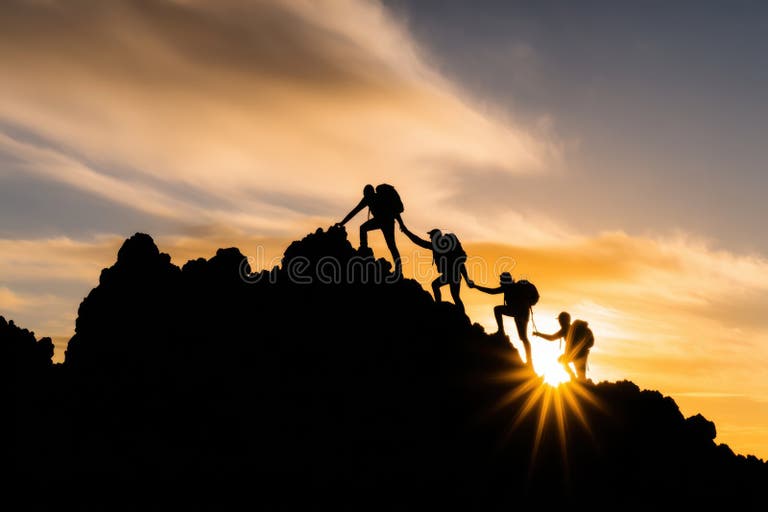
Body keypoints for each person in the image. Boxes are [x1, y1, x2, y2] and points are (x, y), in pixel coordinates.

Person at [399, 223, 471, 314]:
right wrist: (467, 279)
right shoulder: (439, 246)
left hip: (452, 275)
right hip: (455, 275)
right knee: (455, 296)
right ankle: (459, 314)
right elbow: (419, 241)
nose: (430, 238)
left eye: (431, 236)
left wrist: (406, 231)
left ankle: (439, 306)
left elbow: (419, 241)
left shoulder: (440, 247)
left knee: (436, 286)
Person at [335, 184, 403, 277]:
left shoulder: (377, 197)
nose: (367, 196)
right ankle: (364, 249)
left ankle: (398, 271)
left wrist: (401, 224)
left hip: (387, 222)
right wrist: (342, 223)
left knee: (391, 245)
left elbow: (393, 211)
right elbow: (354, 211)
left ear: (370, 192)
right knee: (390, 244)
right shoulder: (368, 198)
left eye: (367, 194)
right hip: (384, 221)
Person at [469, 272, 534, 367]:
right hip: (522, 312)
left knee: (497, 310)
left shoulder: (508, 287)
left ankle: (501, 331)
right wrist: (475, 286)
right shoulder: (512, 287)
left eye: (502, 280)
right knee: (523, 337)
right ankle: (529, 361)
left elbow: (491, 291)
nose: (500, 282)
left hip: (519, 312)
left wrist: (475, 286)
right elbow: (492, 291)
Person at [533, 311, 594, 382]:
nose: (559, 322)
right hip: (582, 353)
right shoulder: (572, 328)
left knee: (562, 361)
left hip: (575, 354)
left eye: (560, 320)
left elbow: (551, 338)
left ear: (563, 320)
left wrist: (539, 334)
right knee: (580, 375)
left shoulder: (565, 330)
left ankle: (573, 377)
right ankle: (580, 381)